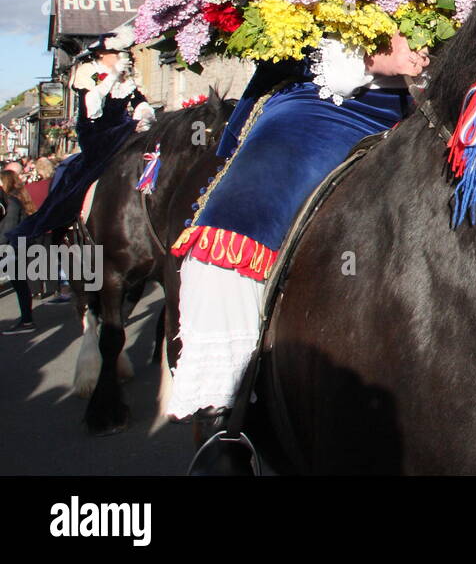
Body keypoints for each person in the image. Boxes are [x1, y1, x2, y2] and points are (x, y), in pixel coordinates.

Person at [165, 32, 429, 422]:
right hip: (329, 99)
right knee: (242, 212)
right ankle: (231, 415)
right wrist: (371, 59)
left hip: (449, 97)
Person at [13, 26, 155, 242]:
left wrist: (145, 114)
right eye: (117, 53)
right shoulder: (90, 72)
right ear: (102, 54)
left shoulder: (126, 79)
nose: (123, 56)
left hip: (123, 127)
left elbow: (139, 101)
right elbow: (93, 107)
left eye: (124, 52)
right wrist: (113, 75)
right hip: (97, 132)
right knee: (81, 177)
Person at [1, 171, 37, 334]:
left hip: (13, 248)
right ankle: (26, 320)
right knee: (20, 284)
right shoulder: (15, 199)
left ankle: (27, 320)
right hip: (16, 247)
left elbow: (9, 228)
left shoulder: (12, 202)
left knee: (20, 284)